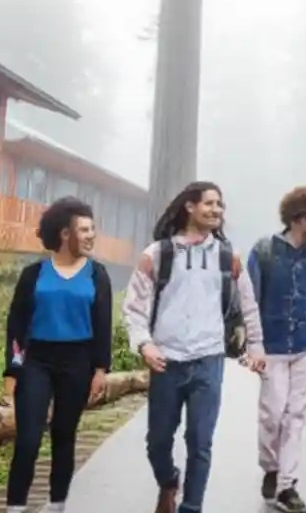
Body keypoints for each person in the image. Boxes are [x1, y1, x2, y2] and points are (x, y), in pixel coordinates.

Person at [122, 182, 267, 513]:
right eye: (210, 203)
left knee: (200, 443)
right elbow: (134, 306)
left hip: (208, 361)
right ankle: (168, 480)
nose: (217, 210)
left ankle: (191, 506)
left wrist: (256, 346)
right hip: (166, 362)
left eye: (220, 204)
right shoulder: (158, 254)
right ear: (189, 206)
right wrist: (144, 344)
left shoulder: (229, 257)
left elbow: (249, 304)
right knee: (157, 442)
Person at [3, 197, 114, 513]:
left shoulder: (97, 275)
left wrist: (100, 369)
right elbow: (17, 325)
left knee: (64, 436)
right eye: (84, 229)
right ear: (65, 234)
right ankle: (15, 508)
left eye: (93, 228)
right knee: (28, 440)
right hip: (37, 360)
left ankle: (56, 505)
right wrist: (13, 370)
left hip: (77, 361)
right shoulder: (33, 274)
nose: (91, 235)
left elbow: (103, 325)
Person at [246, 185, 306, 513]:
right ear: (298, 217)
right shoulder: (264, 250)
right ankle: (270, 467)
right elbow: (250, 300)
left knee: (295, 413)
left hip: (305, 344)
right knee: (272, 412)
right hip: (270, 345)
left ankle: (288, 484)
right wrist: (251, 343)